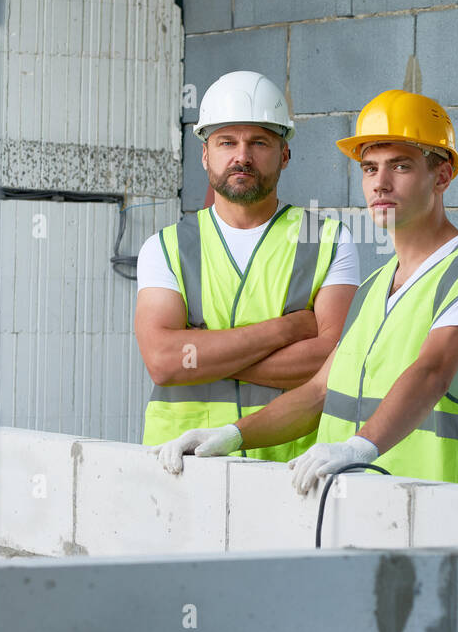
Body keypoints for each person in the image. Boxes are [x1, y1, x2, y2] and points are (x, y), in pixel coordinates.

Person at [154, 89, 458, 493]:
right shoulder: (373, 287)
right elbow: (317, 392)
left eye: (400, 167)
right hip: (360, 511)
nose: (380, 184)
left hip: (441, 519)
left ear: (442, 176)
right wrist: (231, 435)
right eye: (368, 169)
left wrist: (359, 447)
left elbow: (431, 372)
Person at [135, 71, 358, 462]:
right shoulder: (165, 247)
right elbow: (164, 362)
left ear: (284, 154)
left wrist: (206, 355)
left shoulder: (327, 240)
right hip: (183, 462)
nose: (242, 156)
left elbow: (332, 360)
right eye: (227, 142)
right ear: (205, 154)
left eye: (259, 142)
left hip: (288, 465)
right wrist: (287, 329)